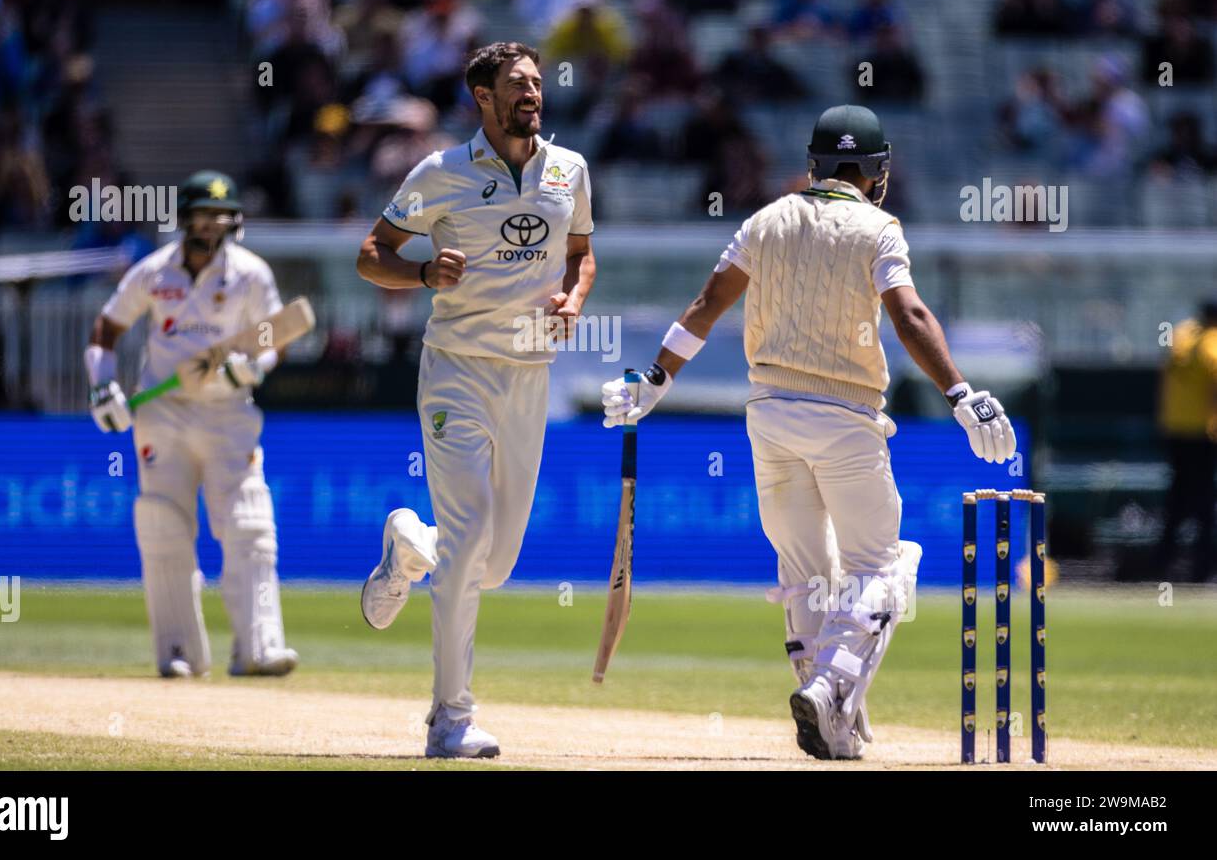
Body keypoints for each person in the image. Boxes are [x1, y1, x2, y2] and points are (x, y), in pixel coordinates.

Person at [600, 105, 1016, 760]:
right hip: (845, 417)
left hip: (768, 416)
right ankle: (830, 689)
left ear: (813, 163)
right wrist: (961, 394)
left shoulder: (766, 219)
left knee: (805, 575)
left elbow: (710, 301)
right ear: (878, 171)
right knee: (882, 564)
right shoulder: (878, 227)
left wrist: (654, 378)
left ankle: (835, 715)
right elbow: (907, 314)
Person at [357, 42, 597, 758]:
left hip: (530, 376)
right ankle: (450, 718)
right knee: (467, 551)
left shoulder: (569, 169)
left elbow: (582, 253)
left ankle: (409, 546)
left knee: (493, 565)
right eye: (516, 84)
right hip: (457, 371)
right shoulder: (441, 173)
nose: (532, 93)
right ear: (482, 98)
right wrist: (426, 272)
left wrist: (574, 296)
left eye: (537, 83)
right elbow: (372, 253)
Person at [85, 171, 300, 679]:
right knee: (162, 526)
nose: (211, 225)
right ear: (185, 219)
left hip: (228, 411)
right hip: (163, 413)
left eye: (220, 216)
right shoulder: (154, 273)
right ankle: (179, 650)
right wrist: (101, 385)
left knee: (249, 522)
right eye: (203, 214)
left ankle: (258, 648)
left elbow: (278, 332)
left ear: (235, 221)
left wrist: (256, 365)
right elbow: (107, 327)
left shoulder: (250, 274)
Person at [1154, 298, 1217, 582]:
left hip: (1175, 430)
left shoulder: (1181, 333)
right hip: (1203, 433)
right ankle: (1201, 568)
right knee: (1202, 502)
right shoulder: (1211, 342)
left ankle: (1164, 562)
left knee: (1178, 499)